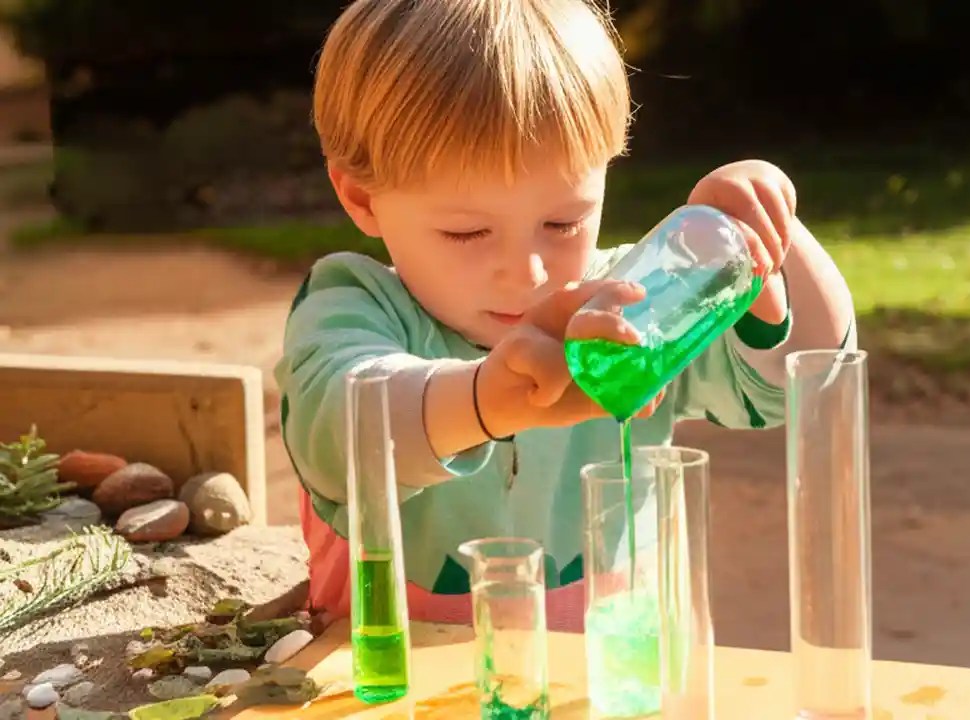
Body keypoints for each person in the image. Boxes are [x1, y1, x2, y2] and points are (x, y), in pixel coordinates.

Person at [275, 0, 856, 631]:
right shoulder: (352, 306)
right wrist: (490, 399)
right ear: (362, 198)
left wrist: (764, 240)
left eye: (563, 222)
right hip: (391, 693)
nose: (526, 271)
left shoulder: (632, 308)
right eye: (467, 232)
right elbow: (345, 429)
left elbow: (801, 379)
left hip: (615, 685)